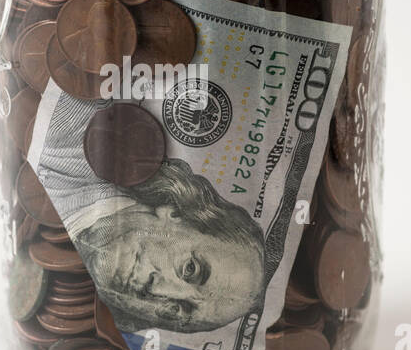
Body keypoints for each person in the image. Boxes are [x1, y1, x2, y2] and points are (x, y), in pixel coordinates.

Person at [30, 97, 265, 335]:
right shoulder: (73, 134)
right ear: (176, 213)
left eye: (179, 311)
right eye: (190, 269)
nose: (163, 292)